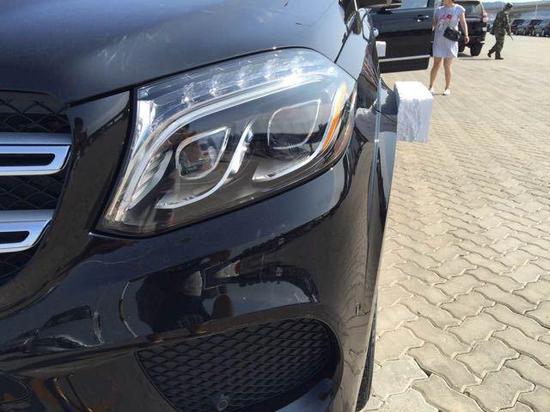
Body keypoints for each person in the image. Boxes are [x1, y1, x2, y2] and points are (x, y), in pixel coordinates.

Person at [428, 0, 469, 96]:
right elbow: (434, 24)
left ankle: (447, 88)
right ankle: (431, 86)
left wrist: (466, 34)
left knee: (447, 65)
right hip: (439, 39)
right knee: (436, 64)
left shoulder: (458, 9)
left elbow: (463, 22)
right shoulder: (439, 10)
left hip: (450, 40)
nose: (442, 0)